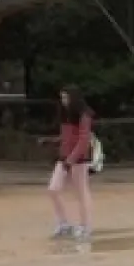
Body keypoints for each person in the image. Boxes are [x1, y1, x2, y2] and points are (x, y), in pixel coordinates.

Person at [49, 86, 95, 240]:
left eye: (66, 98)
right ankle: (64, 223)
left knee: (81, 192)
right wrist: (53, 142)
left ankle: (85, 226)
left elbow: (83, 140)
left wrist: (71, 159)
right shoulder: (65, 114)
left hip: (78, 159)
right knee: (53, 189)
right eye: (62, 98)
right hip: (65, 157)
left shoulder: (84, 115)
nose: (63, 101)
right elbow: (67, 136)